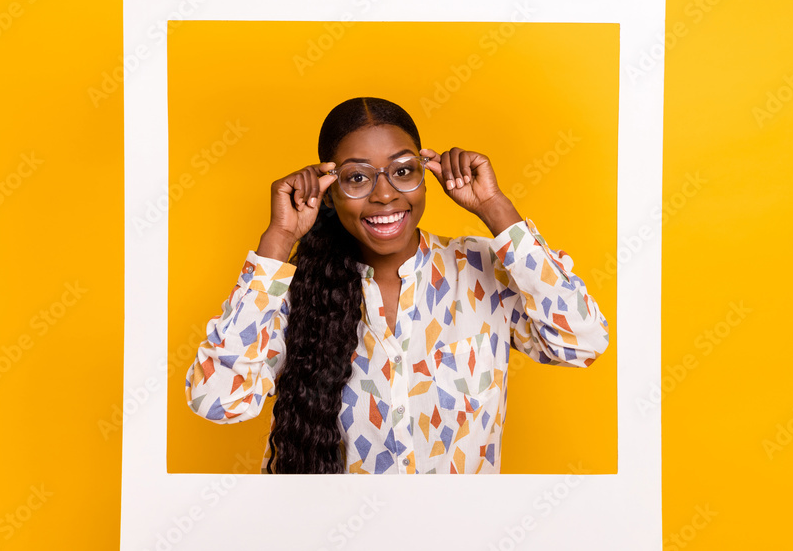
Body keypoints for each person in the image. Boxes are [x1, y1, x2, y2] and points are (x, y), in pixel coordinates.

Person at [184, 96, 609, 474]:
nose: (385, 195)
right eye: (357, 177)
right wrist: (278, 240)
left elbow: (583, 342)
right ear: (329, 192)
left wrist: (496, 208)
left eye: (403, 171)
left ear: (425, 175)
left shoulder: (483, 270)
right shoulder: (290, 294)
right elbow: (217, 400)